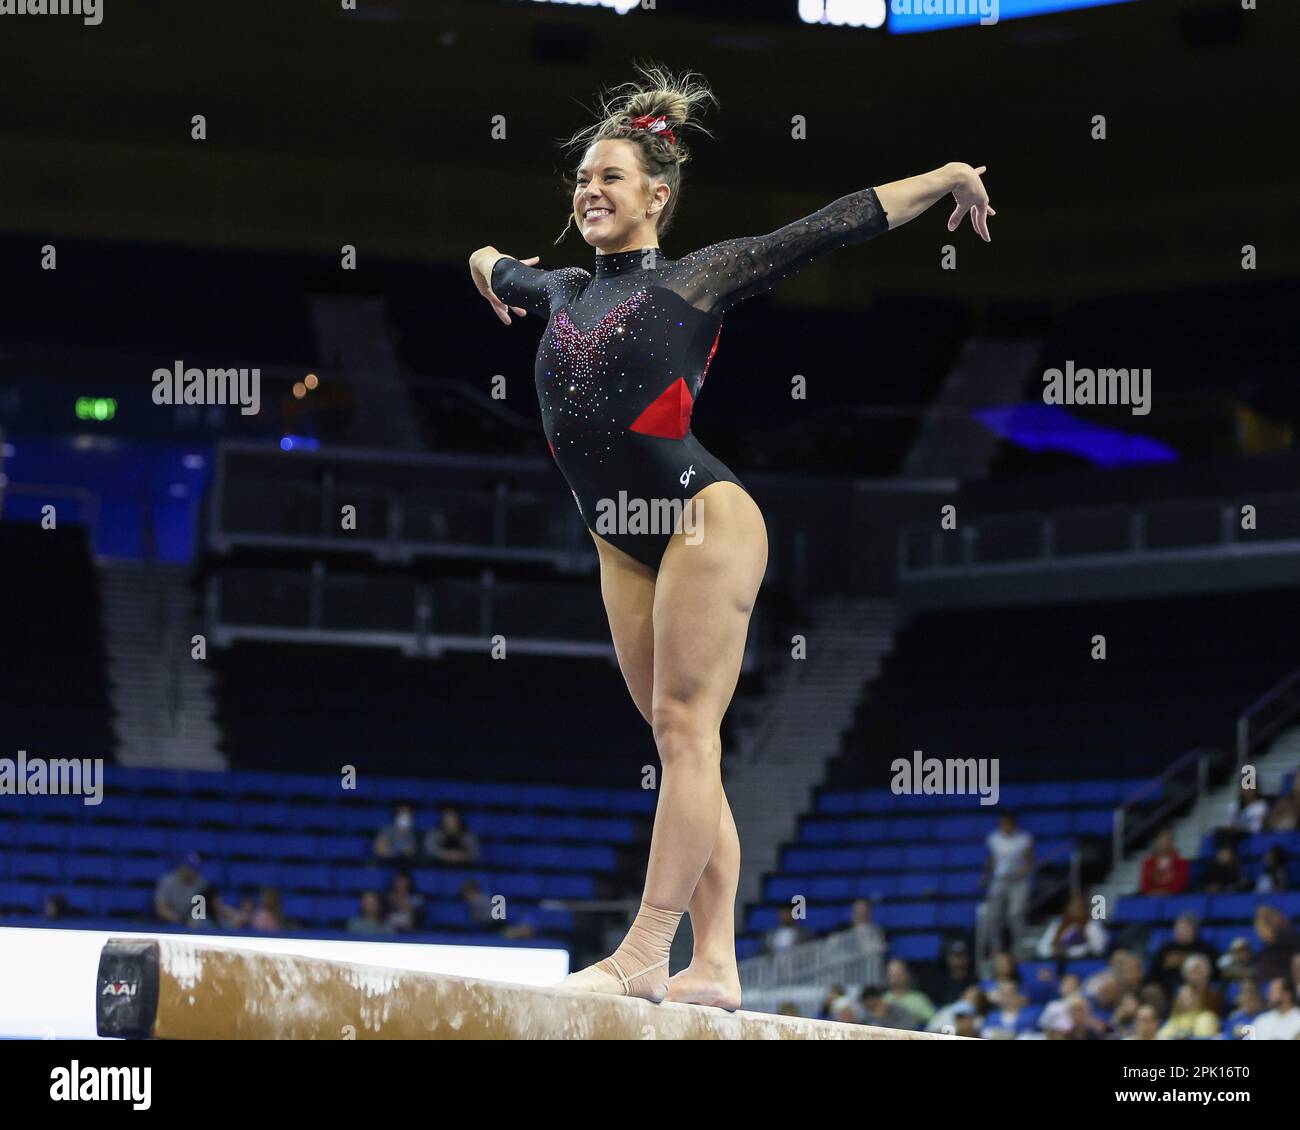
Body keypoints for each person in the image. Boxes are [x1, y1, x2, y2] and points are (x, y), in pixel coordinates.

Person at [471, 61, 994, 1009]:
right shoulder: (560, 291)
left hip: (705, 515)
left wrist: (950, 173)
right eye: (581, 179)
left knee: (683, 728)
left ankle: (647, 947)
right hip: (618, 540)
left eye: (611, 178)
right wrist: (486, 271)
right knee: (681, 743)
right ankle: (716, 964)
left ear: (657, 196)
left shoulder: (698, 278)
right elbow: (487, 260)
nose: (589, 189)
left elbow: (833, 224)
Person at [980, 812, 1034, 957]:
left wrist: (1022, 871)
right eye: (1002, 824)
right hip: (999, 880)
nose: (1005, 827)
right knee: (994, 916)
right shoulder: (994, 839)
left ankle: (1018, 949)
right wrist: (985, 877)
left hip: (1018, 882)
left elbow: (1029, 862)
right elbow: (991, 860)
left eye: (1007, 824)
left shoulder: (1024, 839)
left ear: (1013, 824)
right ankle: (996, 949)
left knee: (1015, 914)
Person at [1150, 912, 1217, 997]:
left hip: (1196, 988)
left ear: (1194, 930)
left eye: (1185, 929)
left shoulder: (1205, 949)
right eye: (1178, 928)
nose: (1180, 932)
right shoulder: (1166, 949)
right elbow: (1153, 973)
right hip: (1166, 989)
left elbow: (1214, 974)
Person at [1036, 891, 1108, 960]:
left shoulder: (1092, 925)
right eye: (1073, 906)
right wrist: (1054, 951)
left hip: (1082, 963)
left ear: (1086, 908)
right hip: (1057, 961)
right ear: (1068, 907)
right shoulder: (1057, 924)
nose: (1076, 909)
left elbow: (1098, 948)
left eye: (1079, 906)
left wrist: (1069, 952)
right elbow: (1042, 947)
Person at [153, 853, 207, 926]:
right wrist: (181, 921)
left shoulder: (202, 884)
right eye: (188, 867)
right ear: (181, 867)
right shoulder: (168, 881)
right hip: (169, 923)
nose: (190, 871)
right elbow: (161, 909)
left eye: (193, 868)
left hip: (193, 924)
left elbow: (203, 911)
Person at [1157, 985, 1221, 1040]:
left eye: (1188, 996)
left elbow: (1202, 1038)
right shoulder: (1175, 1018)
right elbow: (1162, 1036)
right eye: (1181, 996)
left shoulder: (1207, 1017)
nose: (1183, 999)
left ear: (1197, 998)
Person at [1139, 828, 1189, 896]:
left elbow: (1180, 883)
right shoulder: (1148, 863)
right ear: (1157, 843)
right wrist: (1154, 892)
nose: (1164, 845)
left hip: (1172, 899)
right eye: (1162, 841)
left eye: (1167, 841)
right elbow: (1144, 884)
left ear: (1171, 843)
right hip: (1151, 899)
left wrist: (1165, 892)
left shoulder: (1181, 863)